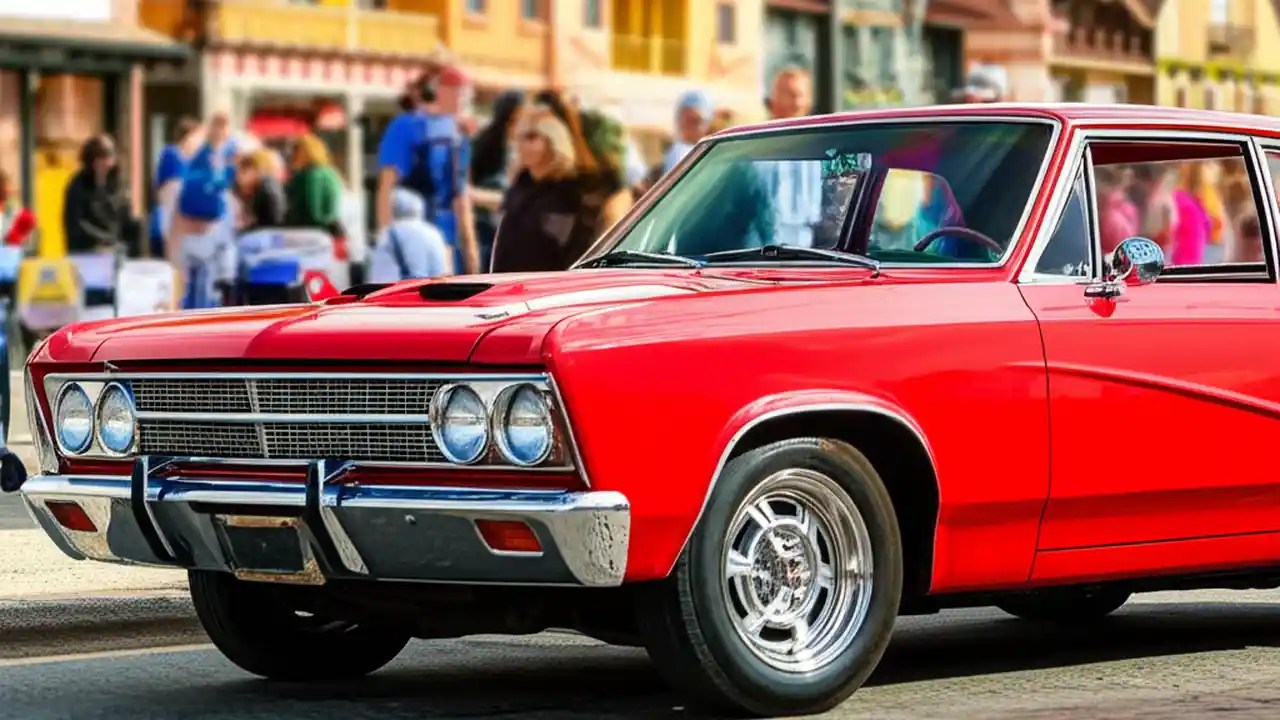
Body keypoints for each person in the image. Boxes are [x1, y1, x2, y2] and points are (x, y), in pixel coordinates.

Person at [376, 63, 480, 274]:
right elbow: (386, 187)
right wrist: (388, 240)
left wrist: (471, 251)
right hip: (412, 238)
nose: (464, 101)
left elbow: (461, 195)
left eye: (467, 95)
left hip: (447, 241)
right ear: (440, 91)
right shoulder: (406, 126)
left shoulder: (459, 133)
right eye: (460, 93)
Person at [491, 109, 588, 273]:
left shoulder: (567, 192)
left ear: (553, 141)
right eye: (519, 137)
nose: (521, 145)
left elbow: (559, 246)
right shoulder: (521, 184)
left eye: (531, 137)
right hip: (507, 282)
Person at [172, 114, 237, 308]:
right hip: (208, 226)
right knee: (205, 283)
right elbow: (218, 184)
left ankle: (193, 317)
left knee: (198, 282)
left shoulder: (205, 153)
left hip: (199, 226)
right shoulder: (215, 155)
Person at [758, 67, 822, 247]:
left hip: (807, 242)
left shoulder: (820, 145)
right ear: (773, 99)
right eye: (789, 94)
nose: (796, 101)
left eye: (800, 95)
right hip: (761, 243)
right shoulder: (756, 143)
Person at [470, 90, 525, 272]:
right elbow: (465, 191)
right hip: (485, 231)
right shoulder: (485, 147)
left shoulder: (525, 149)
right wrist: (503, 201)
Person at [63, 134, 137, 255]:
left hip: (116, 250)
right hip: (88, 252)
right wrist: (103, 241)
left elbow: (124, 218)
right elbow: (75, 224)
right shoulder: (78, 186)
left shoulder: (117, 185)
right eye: (100, 159)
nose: (105, 164)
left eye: (108, 157)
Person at [368, 188, 453, 283]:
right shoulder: (435, 232)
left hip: (408, 293)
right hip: (437, 292)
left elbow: (379, 277)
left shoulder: (391, 233)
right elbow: (445, 271)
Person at [284, 133, 344, 231]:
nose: (292, 156)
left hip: (311, 233)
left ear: (304, 152)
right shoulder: (330, 172)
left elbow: (313, 212)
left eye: (295, 151)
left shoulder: (312, 175)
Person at [662, 90, 713, 175]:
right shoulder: (678, 154)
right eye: (688, 120)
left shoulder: (714, 151)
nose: (691, 127)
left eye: (696, 121)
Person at [235, 150, 286, 233]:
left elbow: (268, 222)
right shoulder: (265, 185)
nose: (239, 178)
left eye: (243, 171)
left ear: (255, 169)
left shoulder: (265, 188)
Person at [0, 170, 35, 247]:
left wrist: (17, 237)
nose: (9, 189)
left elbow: (30, 220)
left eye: (8, 186)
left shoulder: (11, 206)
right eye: (7, 186)